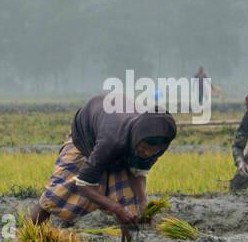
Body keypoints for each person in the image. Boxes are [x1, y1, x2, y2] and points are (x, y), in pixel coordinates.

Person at [29, 91, 177, 228]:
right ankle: (24, 241)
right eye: (144, 148)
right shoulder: (111, 139)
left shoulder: (156, 142)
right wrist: (117, 209)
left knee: (130, 206)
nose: (146, 153)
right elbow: (83, 184)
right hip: (85, 140)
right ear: (138, 137)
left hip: (118, 147)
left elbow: (138, 172)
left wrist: (142, 202)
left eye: (153, 151)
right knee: (53, 198)